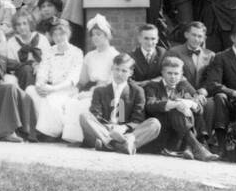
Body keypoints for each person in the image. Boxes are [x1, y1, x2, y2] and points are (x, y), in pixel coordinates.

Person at [78, 52, 160, 156]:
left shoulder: (137, 91)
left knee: (155, 124)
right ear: (112, 69)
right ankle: (119, 143)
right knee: (84, 116)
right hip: (104, 129)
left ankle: (111, 143)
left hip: (126, 132)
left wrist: (124, 128)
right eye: (117, 69)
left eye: (124, 71)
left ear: (130, 72)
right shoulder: (100, 91)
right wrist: (110, 128)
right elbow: (96, 115)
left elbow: (137, 119)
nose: (119, 74)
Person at [141, 54, 216, 160]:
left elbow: (199, 108)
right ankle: (197, 148)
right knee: (177, 109)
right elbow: (150, 105)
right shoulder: (153, 87)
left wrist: (190, 104)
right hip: (163, 135)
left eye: (176, 74)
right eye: (169, 73)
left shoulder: (183, 86)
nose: (173, 77)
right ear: (162, 73)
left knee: (188, 107)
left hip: (179, 137)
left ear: (181, 75)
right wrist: (175, 104)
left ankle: (191, 147)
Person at [23, 17, 84, 142]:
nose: (58, 38)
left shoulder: (76, 52)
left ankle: (52, 133)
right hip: (49, 87)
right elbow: (42, 71)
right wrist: (40, 85)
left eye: (61, 34)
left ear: (68, 34)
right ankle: (35, 130)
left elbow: (73, 78)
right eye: (55, 35)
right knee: (30, 90)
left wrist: (53, 89)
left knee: (50, 99)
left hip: (66, 90)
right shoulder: (49, 51)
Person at [60, 15, 118, 144]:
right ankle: (75, 138)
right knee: (70, 102)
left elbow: (112, 83)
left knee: (82, 105)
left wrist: (90, 93)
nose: (95, 37)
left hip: (106, 93)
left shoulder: (114, 55)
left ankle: (91, 138)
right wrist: (75, 90)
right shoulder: (90, 56)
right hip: (91, 89)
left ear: (107, 35)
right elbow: (82, 81)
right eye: (93, 35)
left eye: (99, 34)